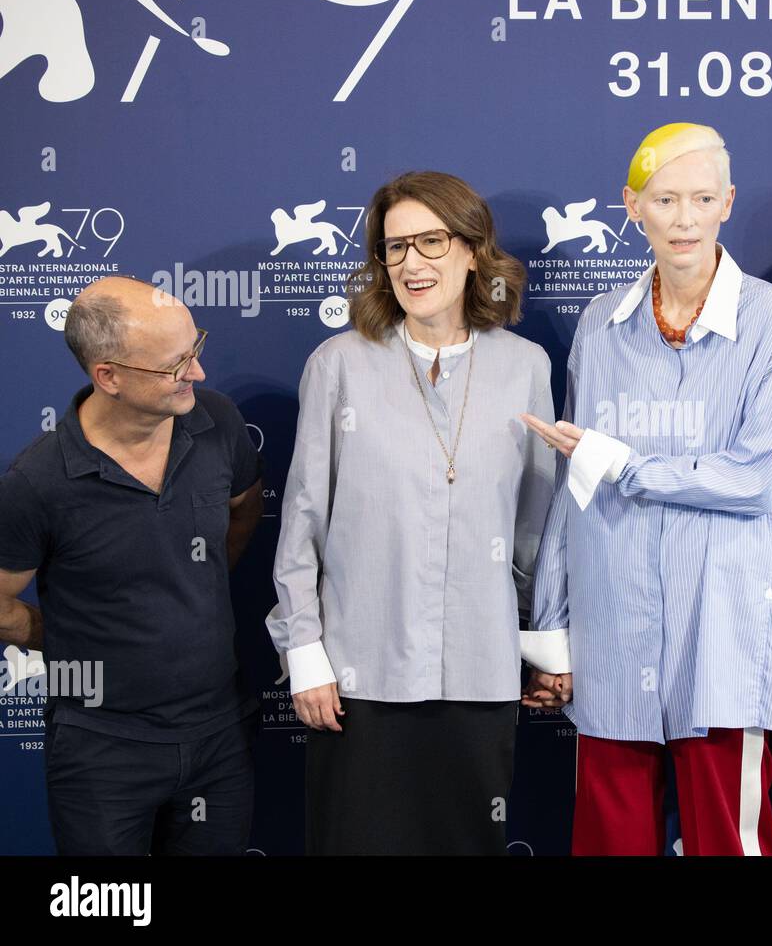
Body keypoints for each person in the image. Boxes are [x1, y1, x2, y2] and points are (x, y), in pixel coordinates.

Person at [521, 122, 772, 856]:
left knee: (729, 841)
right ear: (632, 206)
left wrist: (627, 462)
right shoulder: (600, 324)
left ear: (728, 202)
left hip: (726, 635)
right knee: (609, 843)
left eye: (702, 198)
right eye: (664, 199)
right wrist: (551, 630)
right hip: (614, 634)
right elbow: (574, 484)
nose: (683, 217)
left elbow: (754, 478)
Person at [266, 171, 554, 855]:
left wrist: (544, 637)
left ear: (473, 250)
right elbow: (302, 518)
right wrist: (305, 653)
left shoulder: (526, 367)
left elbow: (538, 530)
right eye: (394, 248)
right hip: (359, 678)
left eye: (431, 241)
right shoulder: (338, 363)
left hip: (480, 676)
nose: (412, 263)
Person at [0, 275, 263, 855]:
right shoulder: (37, 482)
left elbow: (244, 506)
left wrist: (198, 581)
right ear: (109, 377)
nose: (197, 373)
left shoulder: (216, 421)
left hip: (219, 736)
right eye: (175, 365)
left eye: (196, 348)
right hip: (101, 750)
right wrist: (57, 635)